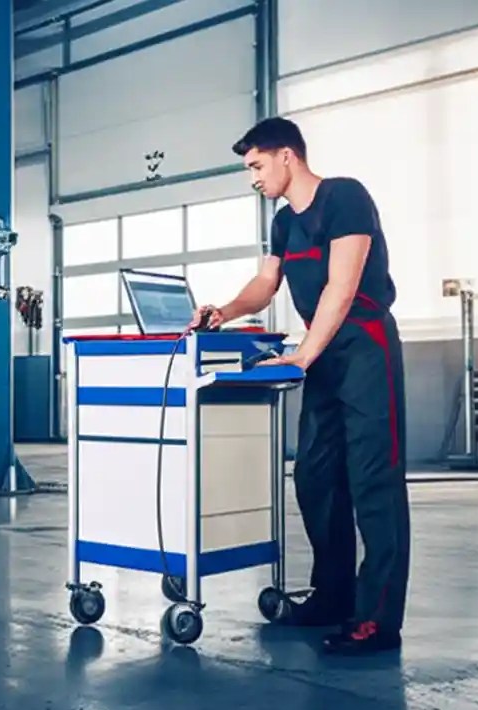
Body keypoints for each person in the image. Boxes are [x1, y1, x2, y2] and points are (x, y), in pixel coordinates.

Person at [190, 117, 409, 655]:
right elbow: (267, 283)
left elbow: (342, 286)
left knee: (373, 480)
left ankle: (377, 620)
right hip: (322, 352)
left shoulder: (345, 198)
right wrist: (224, 312)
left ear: (287, 155)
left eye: (257, 166)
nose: (253, 178)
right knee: (315, 476)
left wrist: (304, 354)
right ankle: (333, 597)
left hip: (365, 347)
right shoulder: (284, 222)